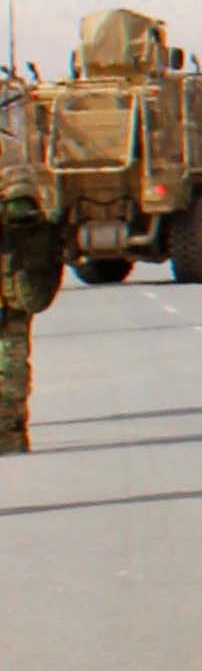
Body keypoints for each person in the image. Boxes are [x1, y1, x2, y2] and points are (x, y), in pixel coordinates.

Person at [0, 94, 59, 458]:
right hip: (11, 276)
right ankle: (9, 433)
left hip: (10, 274)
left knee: (11, 353)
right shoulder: (10, 152)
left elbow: (24, 211)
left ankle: (8, 431)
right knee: (12, 353)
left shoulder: (8, 153)